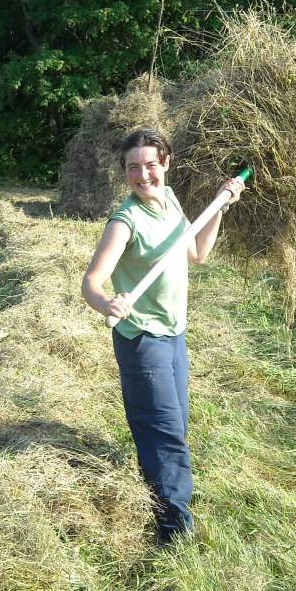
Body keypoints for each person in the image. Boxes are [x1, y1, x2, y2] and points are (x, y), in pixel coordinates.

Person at [81, 127, 245, 544]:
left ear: (166, 163)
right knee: (164, 429)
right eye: (133, 168)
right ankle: (174, 529)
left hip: (174, 334)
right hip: (142, 339)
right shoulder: (125, 221)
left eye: (151, 164)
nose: (143, 175)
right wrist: (107, 303)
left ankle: (156, 490)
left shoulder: (170, 201)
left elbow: (197, 252)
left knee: (173, 423)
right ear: (125, 172)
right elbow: (91, 282)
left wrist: (221, 209)